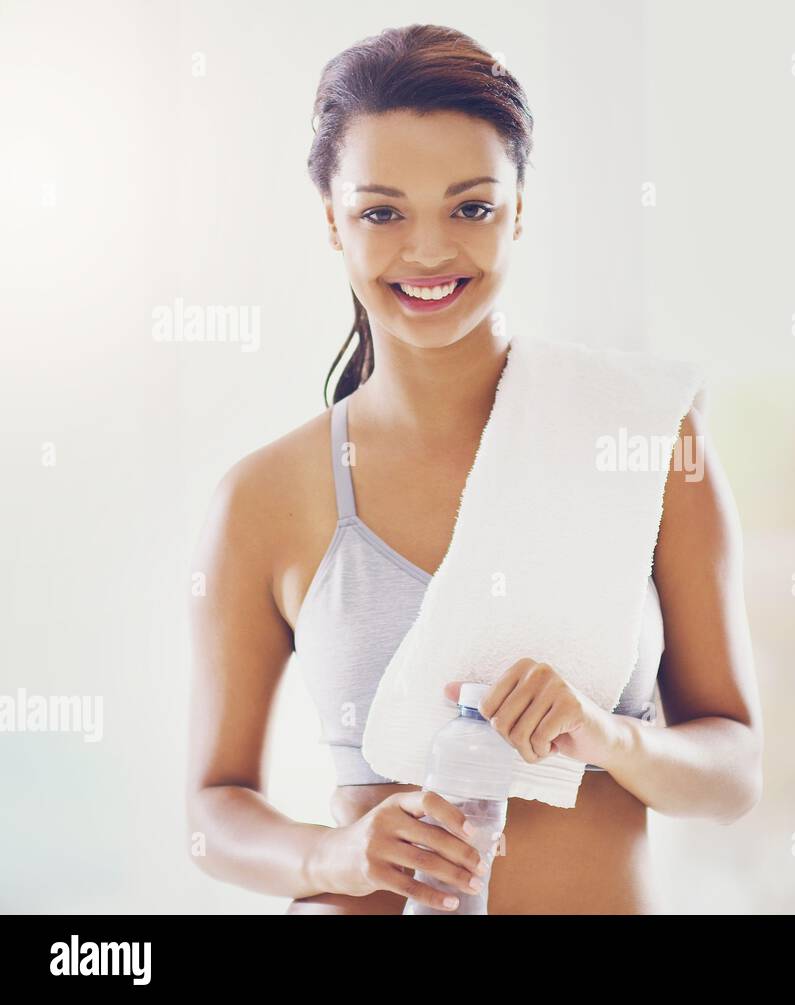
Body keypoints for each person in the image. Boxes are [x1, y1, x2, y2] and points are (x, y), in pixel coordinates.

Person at [185, 23, 762, 915]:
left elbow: (733, 771)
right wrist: (333, 856)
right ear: (333, 221)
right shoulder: (266, 497)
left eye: (471, 206)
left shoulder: (645, 434)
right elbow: (211, 812)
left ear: (519, 207)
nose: (427, 251)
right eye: (382, 211)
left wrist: (610, 738)